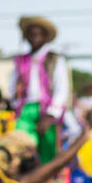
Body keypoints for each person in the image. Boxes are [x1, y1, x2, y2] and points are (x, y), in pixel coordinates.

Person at [12, 15, 76, 164]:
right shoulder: (21, 60)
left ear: (45, 37)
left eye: (37, 34)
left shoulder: (55, 59)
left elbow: (62, 89)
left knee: (49, 152)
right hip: (25, 111)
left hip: (48, 110)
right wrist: (14, 103)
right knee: (21, 148)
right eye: (30, 34)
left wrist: (50, 115)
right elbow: (13, 87)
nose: (34, 37)